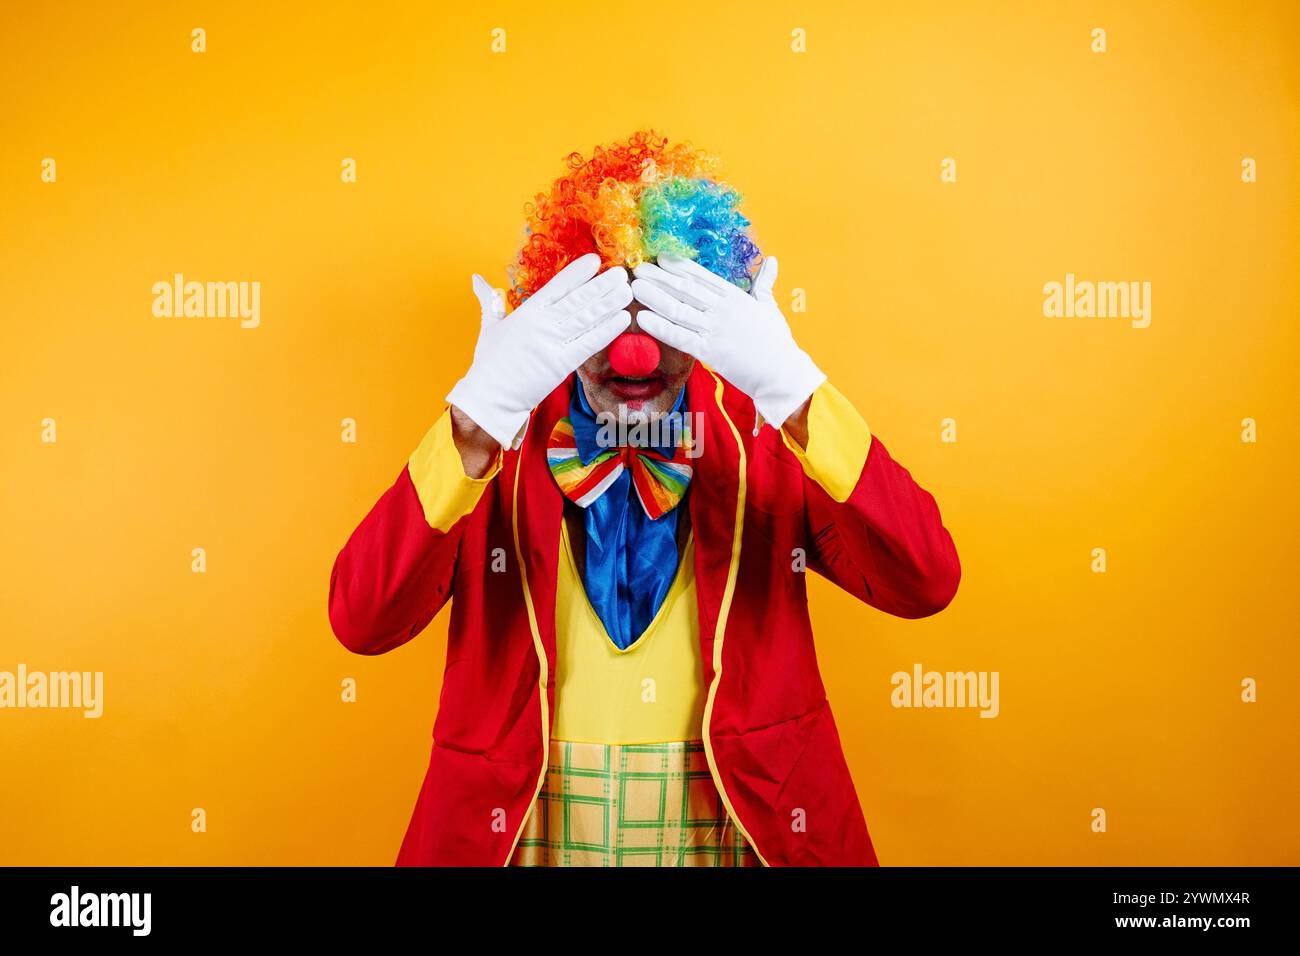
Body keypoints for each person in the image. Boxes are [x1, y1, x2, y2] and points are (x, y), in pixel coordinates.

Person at [329, 130, 960, 866]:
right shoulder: (494, 446)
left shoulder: (768, 436)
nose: (637, 354)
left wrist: (797, 392)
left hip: (739, 832)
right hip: (526, 837)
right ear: (556, 307)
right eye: (607, 313)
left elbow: (925, 580)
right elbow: (362, 619)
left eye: (661, 312)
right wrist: (475, 420)